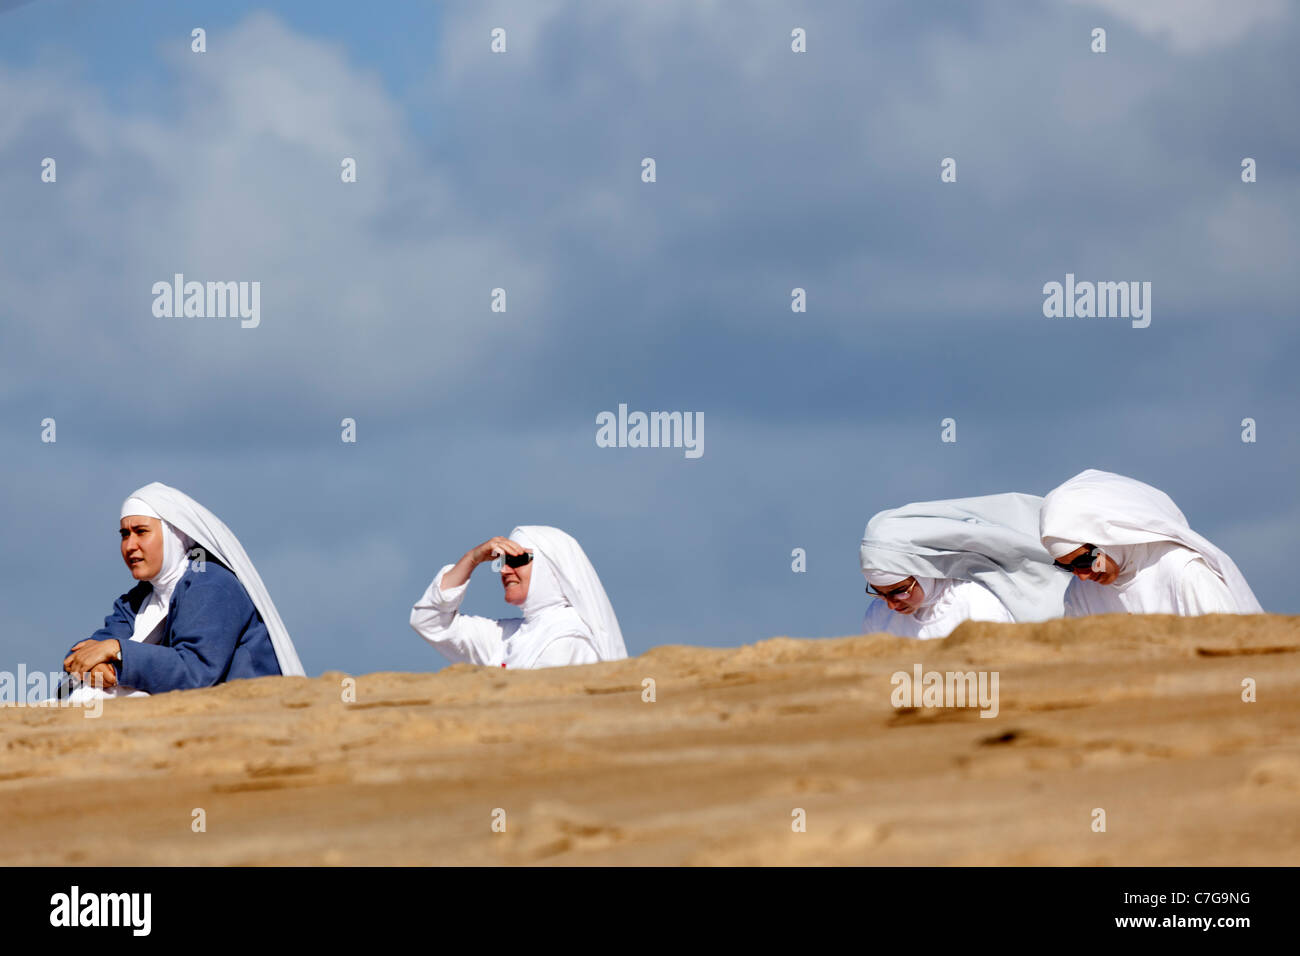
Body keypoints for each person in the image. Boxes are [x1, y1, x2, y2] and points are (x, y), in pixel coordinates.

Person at [60, 482, 305, 700]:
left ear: (174, 534)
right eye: (125, 534)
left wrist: (117, 651)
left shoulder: (210, 585)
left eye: (141, 532)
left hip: (247, 715)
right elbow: (82, 652)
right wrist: (97, 667)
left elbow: (196, 672)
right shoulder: (140, 597)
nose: (130, 545)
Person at [1040, 468, 1263, 616]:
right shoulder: (1079, 594)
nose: (1081, 575)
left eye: (1083, 561)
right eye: (1066, 566)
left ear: (1107, 538)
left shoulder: (1185, 573)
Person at [410, 526, 627, 668]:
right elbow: (429, 623)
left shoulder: (566, 639)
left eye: (516, 560)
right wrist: (472, 558)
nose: (504, 570)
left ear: (551, 567)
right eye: (503, 561)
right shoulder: (509, 635)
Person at [860, 492, 1069, 639]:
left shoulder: (975, 601)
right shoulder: (878, 618)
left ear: (923, 571)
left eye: (899, 591)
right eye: (879, 593)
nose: (891, 605)